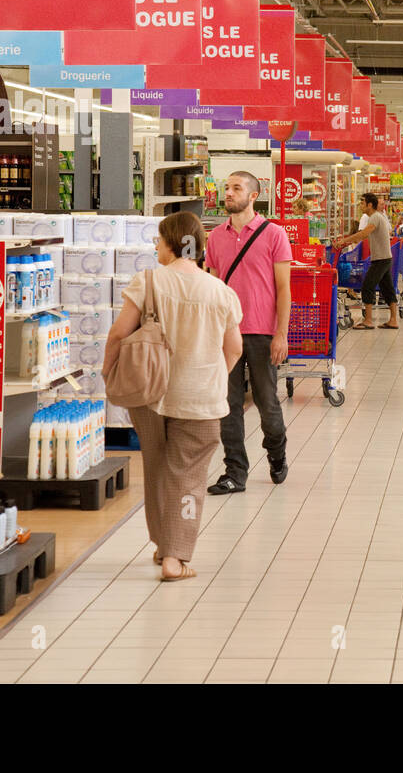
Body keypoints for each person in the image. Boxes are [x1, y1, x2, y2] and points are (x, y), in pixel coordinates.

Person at [104, 211, 243, 582]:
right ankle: (176, 557)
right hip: (200, 398)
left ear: (171, 243)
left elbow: (119, 333)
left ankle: (162, 546)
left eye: (159, 240)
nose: (156, 246)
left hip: (149, 393)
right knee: (189, 476)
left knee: (157, 468)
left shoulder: (147, 282)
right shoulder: (221, 292)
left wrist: (109, 371)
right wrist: (214, 376)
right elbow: (234, 348)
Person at [203, 171, 294, 496]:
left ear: (254, 195)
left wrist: (280, 334)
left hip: (261, 332)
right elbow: (212, 286)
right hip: (226, 333)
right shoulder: (215, 237)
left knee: (267, 403)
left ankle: (277, 451)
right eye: (227, 188)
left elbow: (284, 289)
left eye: (236, 188)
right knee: (227, 405)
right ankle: (235, 473)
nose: (228, 193)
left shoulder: (274, 235)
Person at [333, 192, 399, 329]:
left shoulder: (374, 217)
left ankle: (368, 321)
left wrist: (344, 240)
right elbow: (362, 237)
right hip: (384, 258)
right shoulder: (376, 217)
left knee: (367, 286)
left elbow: (364, 234)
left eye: (362, 202)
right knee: (388, 289)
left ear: (370, 204)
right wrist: (347, 241)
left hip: (381, 259)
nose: (360, 205)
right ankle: (393, 320)